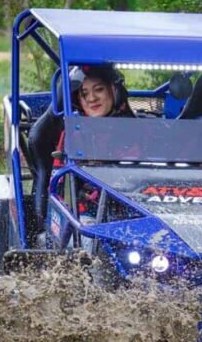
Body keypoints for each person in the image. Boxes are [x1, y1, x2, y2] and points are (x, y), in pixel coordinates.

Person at [28, 64, 133, 232]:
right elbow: (59, 188)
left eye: (98, 90)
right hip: (85, 216)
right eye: (84, 94)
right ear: (78, 100)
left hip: (133, 211)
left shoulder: (137, 129)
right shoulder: (74, 133)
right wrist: (81, 191)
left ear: (114, 91)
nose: (91, 98)